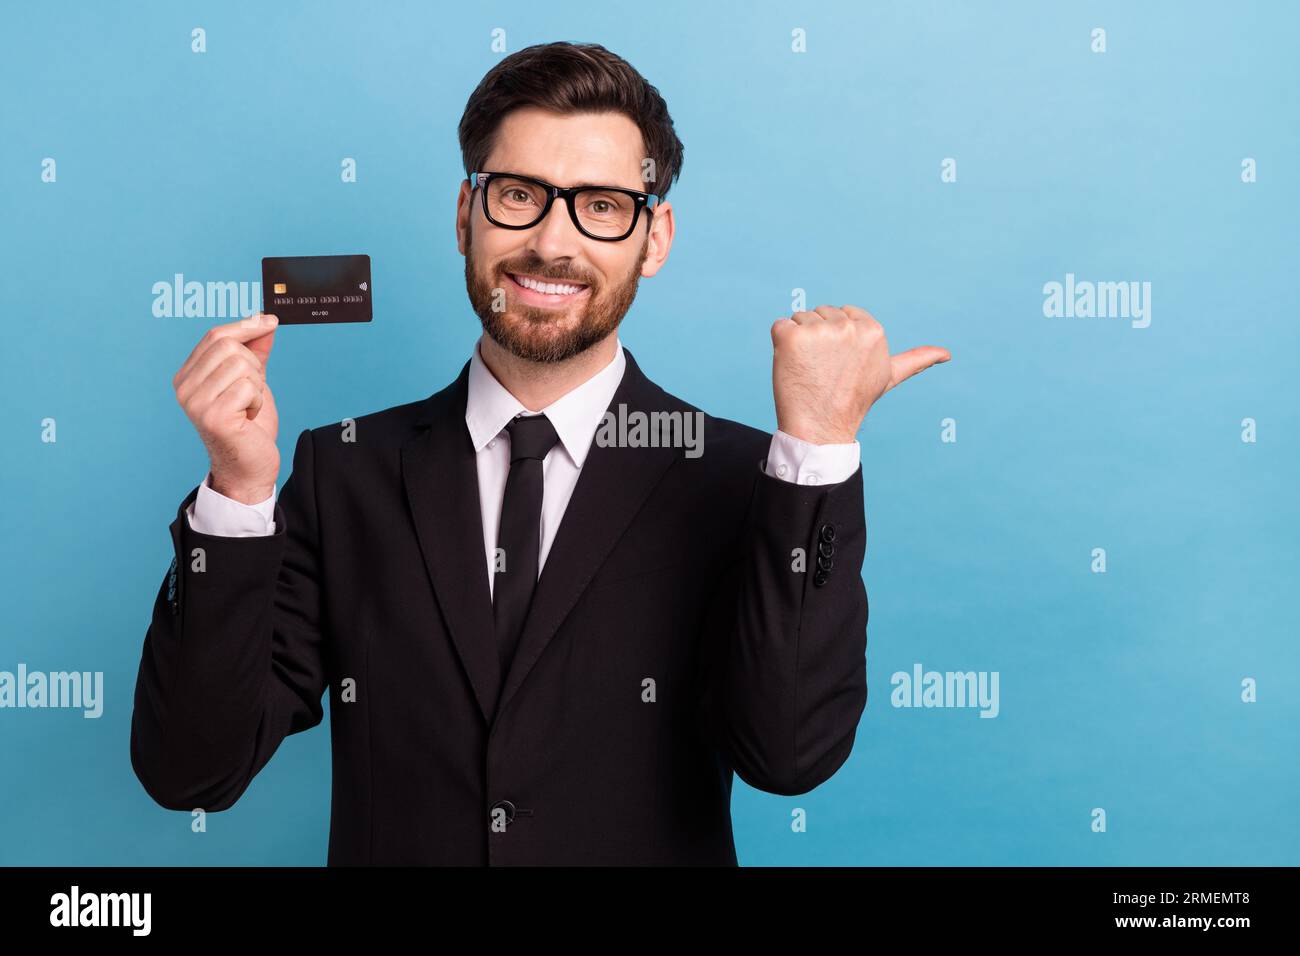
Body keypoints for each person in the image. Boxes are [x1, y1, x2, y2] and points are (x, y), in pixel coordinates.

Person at [130, 41, 950, 865]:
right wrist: (236, 495)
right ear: (465, 216)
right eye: (519, 195)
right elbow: (191, 772)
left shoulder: (742, 479)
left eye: (600, 205)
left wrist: (818, 450)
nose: (553, 244)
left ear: (654, 238)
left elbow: (790, 757)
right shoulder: (343, 470)